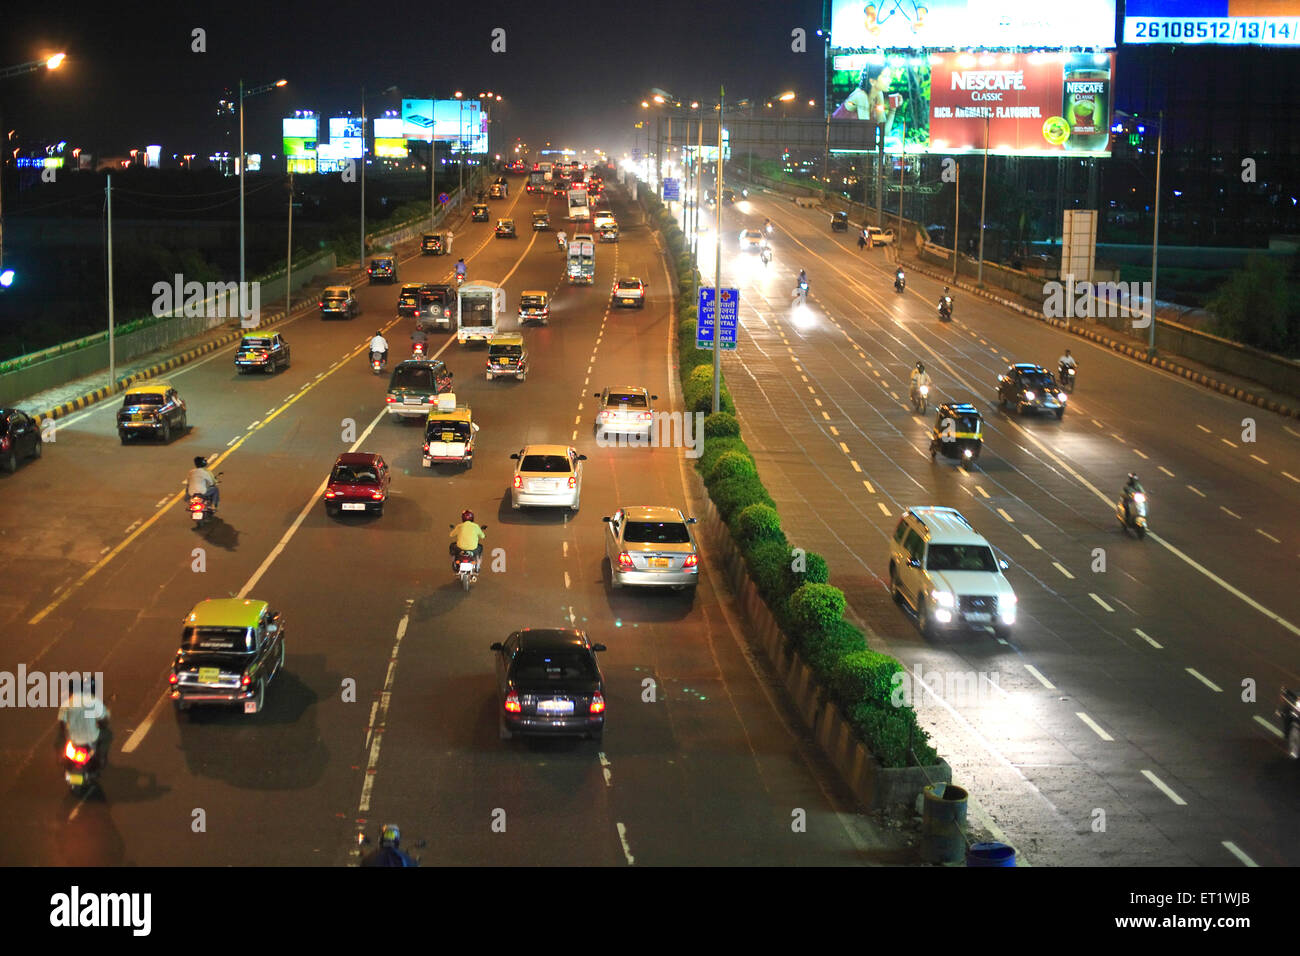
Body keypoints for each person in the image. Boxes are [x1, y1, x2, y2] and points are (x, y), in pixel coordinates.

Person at [58, 676, 110, 772]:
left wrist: (67, 734)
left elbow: (62, 724)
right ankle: (101, 758)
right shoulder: (94, 702)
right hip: (91, 739)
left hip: (73, 741)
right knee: (107, 735)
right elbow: (104, 721)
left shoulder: (67, 704)